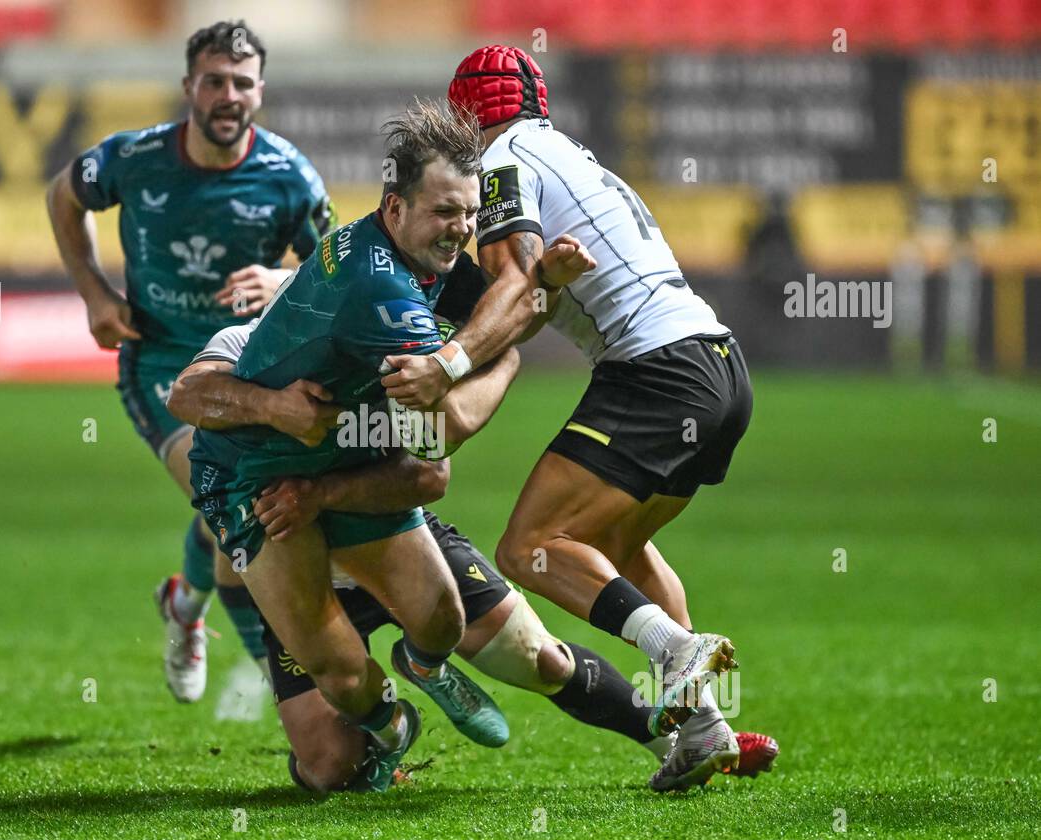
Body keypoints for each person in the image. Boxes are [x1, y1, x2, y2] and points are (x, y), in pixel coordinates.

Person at [170, 306, 779, 794]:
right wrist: (269, 408)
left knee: (541, 661)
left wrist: (321, 493)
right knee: (329, 765)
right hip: (300, 574)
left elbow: (431, 478)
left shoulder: (385, 361)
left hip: (402, 543)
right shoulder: (242, 345)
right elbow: (189, 395)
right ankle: (386, 733)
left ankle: (674, 743)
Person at [380, 46, 755, 791]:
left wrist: (448, 364)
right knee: (620, 546)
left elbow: (515, 287)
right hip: (719, 367)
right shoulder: (565, 152)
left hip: (656, 369)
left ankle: (677, 649)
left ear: (465, 117)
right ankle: (704, 728)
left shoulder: (501, 161)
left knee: (530, 548)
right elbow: (535, 290)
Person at [185, 101, 584, 790]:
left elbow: (489, 306)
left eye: (467, 213)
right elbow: (445, 426)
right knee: (341, 677)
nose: (459, 229)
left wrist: (532, 292)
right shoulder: (385, 294)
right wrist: (510, 355)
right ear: (395, 209)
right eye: (443, 213)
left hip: (336, 465)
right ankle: (395, 723)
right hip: (255, 480)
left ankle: (423, 666)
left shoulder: (393, 248)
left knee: (442, 619)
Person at [45, 20, 334, 702]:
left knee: (229, 507)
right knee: (231, 509)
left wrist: (281, 281)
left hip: (247, 371)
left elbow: (333, 268)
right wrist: (95, 295)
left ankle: (184, 605)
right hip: (165, 369)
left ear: (260, 90)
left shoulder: (288, 176)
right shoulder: (136, 158)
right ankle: (292, 678)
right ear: (188, 88)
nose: (227, 95)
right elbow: (63, 194)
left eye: (241, 82)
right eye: (214, 81)